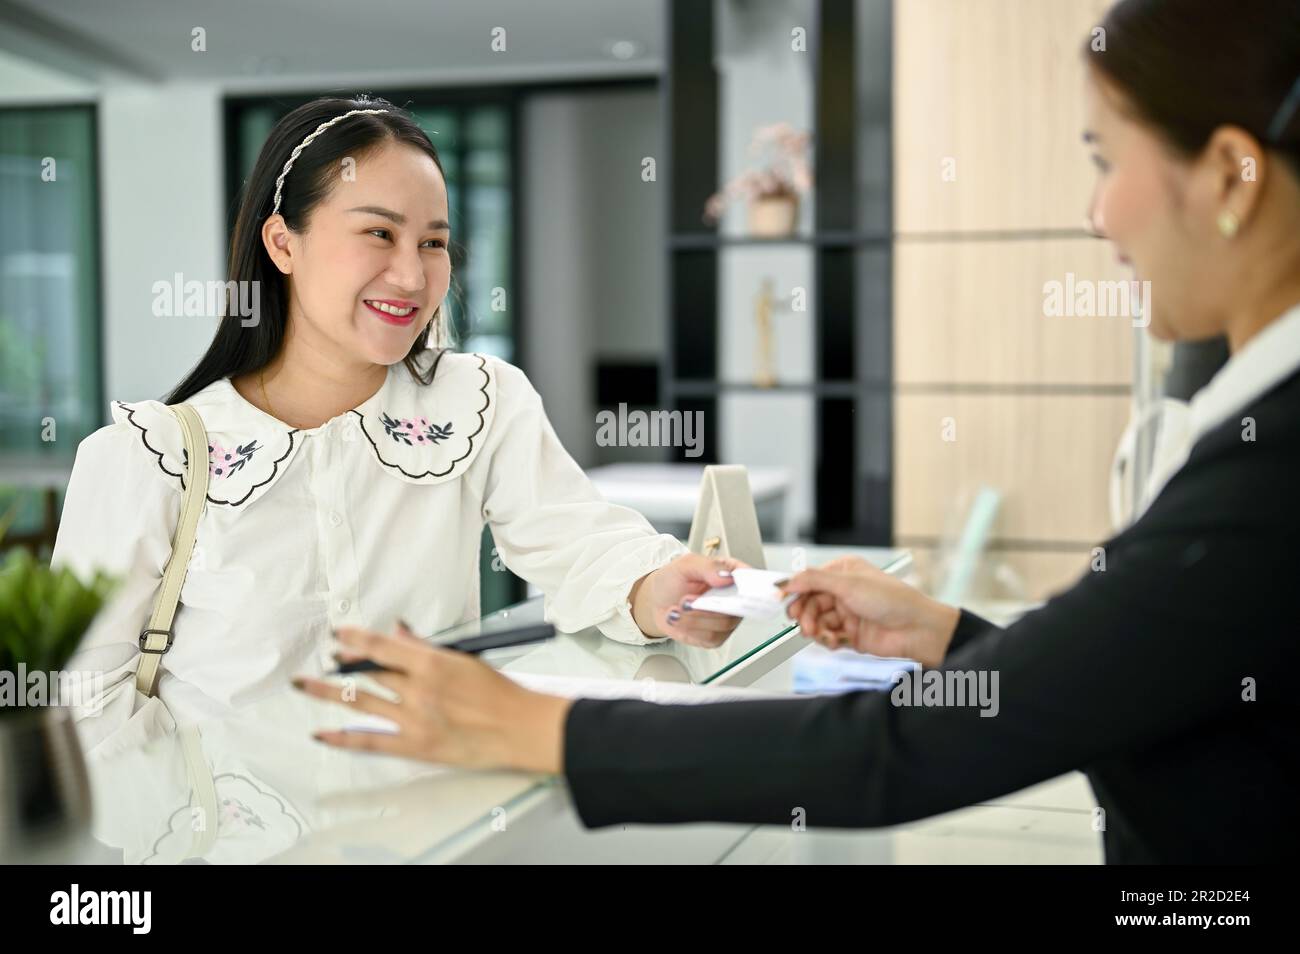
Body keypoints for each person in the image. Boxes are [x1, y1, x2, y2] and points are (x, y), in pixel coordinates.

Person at [294, 0, 1300, 863]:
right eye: (376, 235)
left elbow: (891, 752)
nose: (1094, 212)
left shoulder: (1270, 472)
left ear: (1229, 177)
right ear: (282, 245)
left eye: (1104, 158)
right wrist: (946, 636)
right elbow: (1133, 684)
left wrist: (547, 729)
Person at [51, 95, 742, 746]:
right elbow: (83, 705)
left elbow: (584, 546)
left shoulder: (478, 402)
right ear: (282, 243)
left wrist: (665, 593)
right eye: (378, 233)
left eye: (434, 243)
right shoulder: (148, 455)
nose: (412, 277)